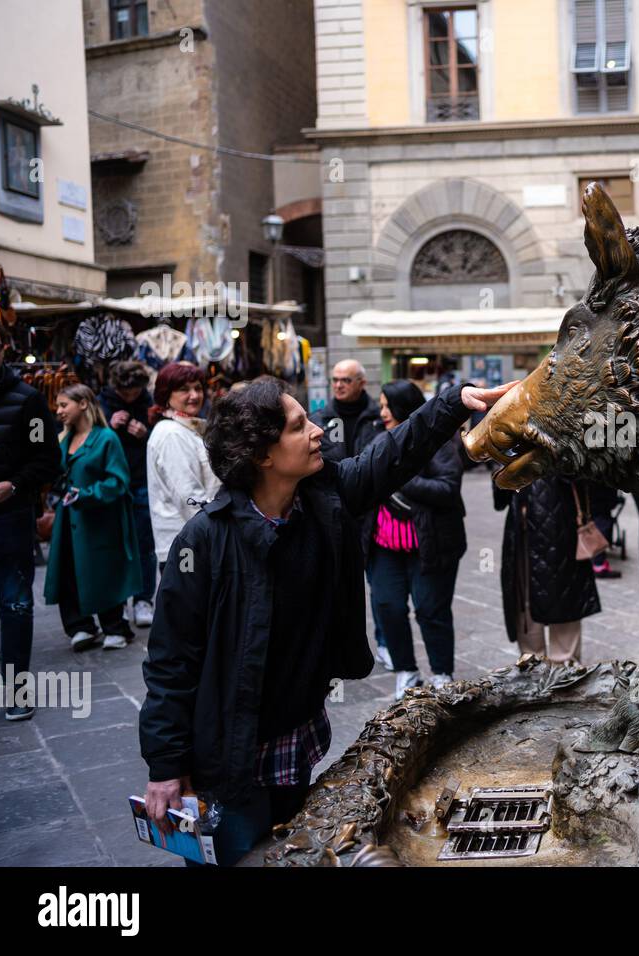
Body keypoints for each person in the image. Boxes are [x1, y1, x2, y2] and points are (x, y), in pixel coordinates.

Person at [139, 375, 512, 865]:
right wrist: (166, 765)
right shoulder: (204, 541)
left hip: (297, 741)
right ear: (263, 455)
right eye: (299, 426)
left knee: (299, 853)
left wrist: (451, 403)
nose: (318, 431)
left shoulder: (323, 498)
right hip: (229, 757)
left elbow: (391, 457)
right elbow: (170, 660)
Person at [364, 380, 466, 698]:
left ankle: (441, 673)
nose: (381, 412)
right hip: (383, 546)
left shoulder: (439, 443)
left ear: (402, 407)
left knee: (431, 611)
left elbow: (448, 490)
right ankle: (407, 672)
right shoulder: (377, 441)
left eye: (386, 406)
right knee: (387, 607)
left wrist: (401, 479)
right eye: (380, 405)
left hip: (430, 545)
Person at [0, 320, 61, 720]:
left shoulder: (28, 400)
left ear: (5, 350)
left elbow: (47, 459)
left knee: (14, 605)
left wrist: (12, 486)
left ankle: (16, 691)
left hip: (9, 519)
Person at [44, 384, 141, 651]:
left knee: (103, 570)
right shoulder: (63, 439)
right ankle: (80, 626)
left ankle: (114, 626)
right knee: (69, 570)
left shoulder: (106, 439)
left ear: (83, 404)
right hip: (69, 519)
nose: (59, 410)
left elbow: (119, 481)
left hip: (100, 520)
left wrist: (86, 494)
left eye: (64, 404)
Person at [308, 358, 388, 665]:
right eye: (335, 380)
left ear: (361, 383)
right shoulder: (319, 419)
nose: (339, 385)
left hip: (375, 513)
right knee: (336, 584)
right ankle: (336, 644)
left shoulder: (378, 416)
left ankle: (383, 640)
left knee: (381, 589)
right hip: (336, 514)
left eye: (346, 380)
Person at [495, 477, 600, 665]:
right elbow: (500, 496)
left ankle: (564, 670)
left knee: (564, 597)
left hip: (561, 522)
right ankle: (536, 666)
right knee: (526, 601)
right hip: (524, 527)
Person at [98, 360, 157, 627]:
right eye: (127, 393)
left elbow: (158, 440)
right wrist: (109, 427)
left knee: (144, 542)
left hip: (142, 479)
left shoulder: (150, 402)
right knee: (116, 544)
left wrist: (145, 433)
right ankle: (118, 603)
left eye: (135, 392)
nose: (131, 397)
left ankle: (144, 599)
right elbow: (91, 439)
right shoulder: (102, 402)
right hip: (113, 481)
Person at [146, 361, 220, 573]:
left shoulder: (187, 428)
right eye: (184, 389)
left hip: (195, 541)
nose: (194, 395)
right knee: (189, 605)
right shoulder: (171, 434)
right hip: (185, 546)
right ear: (166, 395)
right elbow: (190, 498)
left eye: (198, 388)